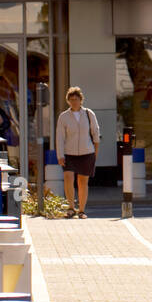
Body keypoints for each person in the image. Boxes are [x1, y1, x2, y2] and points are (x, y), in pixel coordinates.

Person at [55, 86, 99, 219]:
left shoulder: (89, 114)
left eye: (76, 99)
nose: (74, 102)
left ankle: (81, 210)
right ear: (68, 101)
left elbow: (95, 133)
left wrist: (95, 154)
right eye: (71, 99)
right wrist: (60, 155)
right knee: (68, 178)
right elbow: (60, 137)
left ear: (81, 100)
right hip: (69, 152)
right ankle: (70, 207)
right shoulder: (64, 117)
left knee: (82, 181)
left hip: (87, 152)